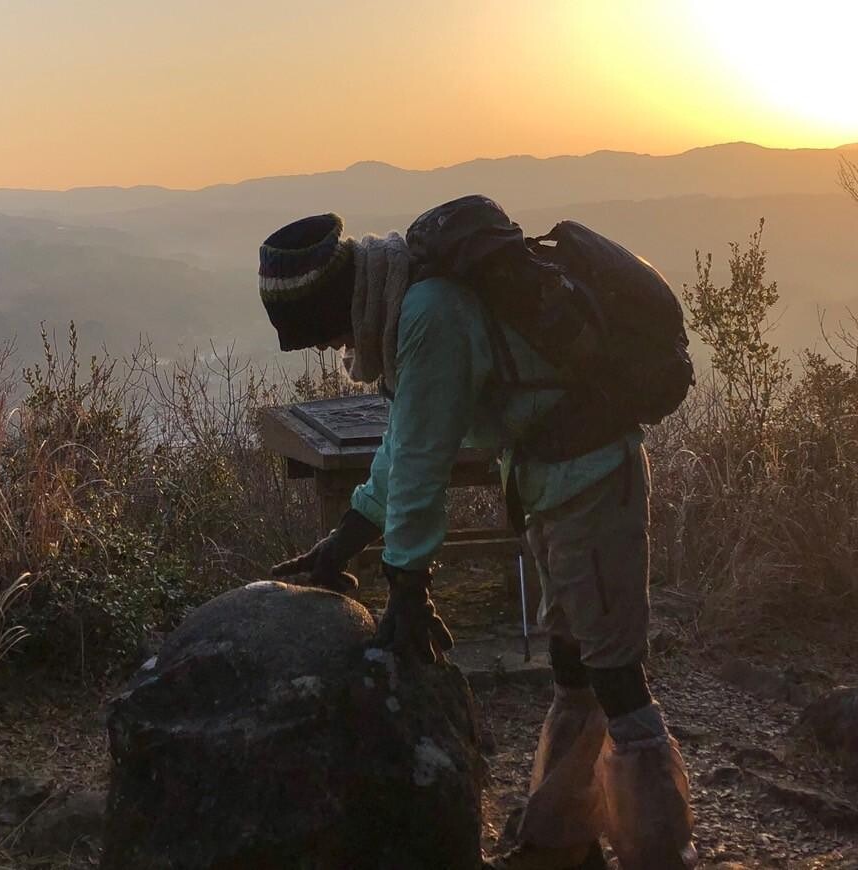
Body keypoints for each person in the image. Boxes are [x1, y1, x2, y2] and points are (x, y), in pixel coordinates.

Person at [260, 208, 696, 869]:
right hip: (554, 487)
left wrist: (409, 582)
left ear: (335, 302)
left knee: (616, 677)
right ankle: (564, 839)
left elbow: (422, 459)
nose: (333, 347)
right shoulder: (411, 299)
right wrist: (344, 542)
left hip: (593, 485)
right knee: (575, 671)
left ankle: (658, 847)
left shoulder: (428, 313)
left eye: (322, 335)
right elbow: (406, 441)